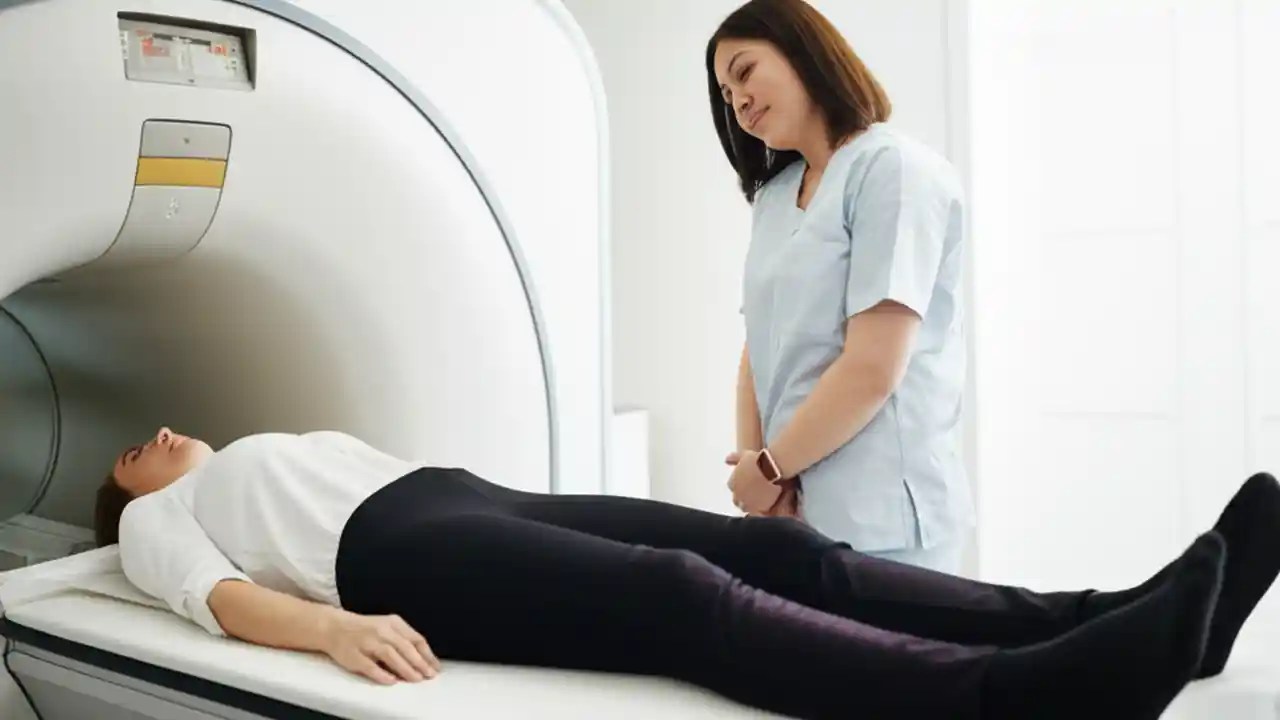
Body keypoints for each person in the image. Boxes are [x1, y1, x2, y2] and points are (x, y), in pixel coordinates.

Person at [97, 426, 1280, 720]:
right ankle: (1017, 698)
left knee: (768, 547)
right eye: (127, 453)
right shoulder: (156, 523)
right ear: (129, 498)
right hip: (393, 552)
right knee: (676, 596)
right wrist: (326, 633)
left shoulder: (262, 441)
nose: (150, 436)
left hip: (450, 495)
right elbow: (218, 598)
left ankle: (1104, 618)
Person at [708, 0, 973, 572]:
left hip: (885, 520)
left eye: (745, 73)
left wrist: (774, 468)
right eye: (727, 95)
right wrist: (760, 479)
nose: (739, 102)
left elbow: (873, 369)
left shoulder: (894, 170)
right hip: (794, 518)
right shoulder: (775, 198)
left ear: (803, 50)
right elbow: (758, 348)